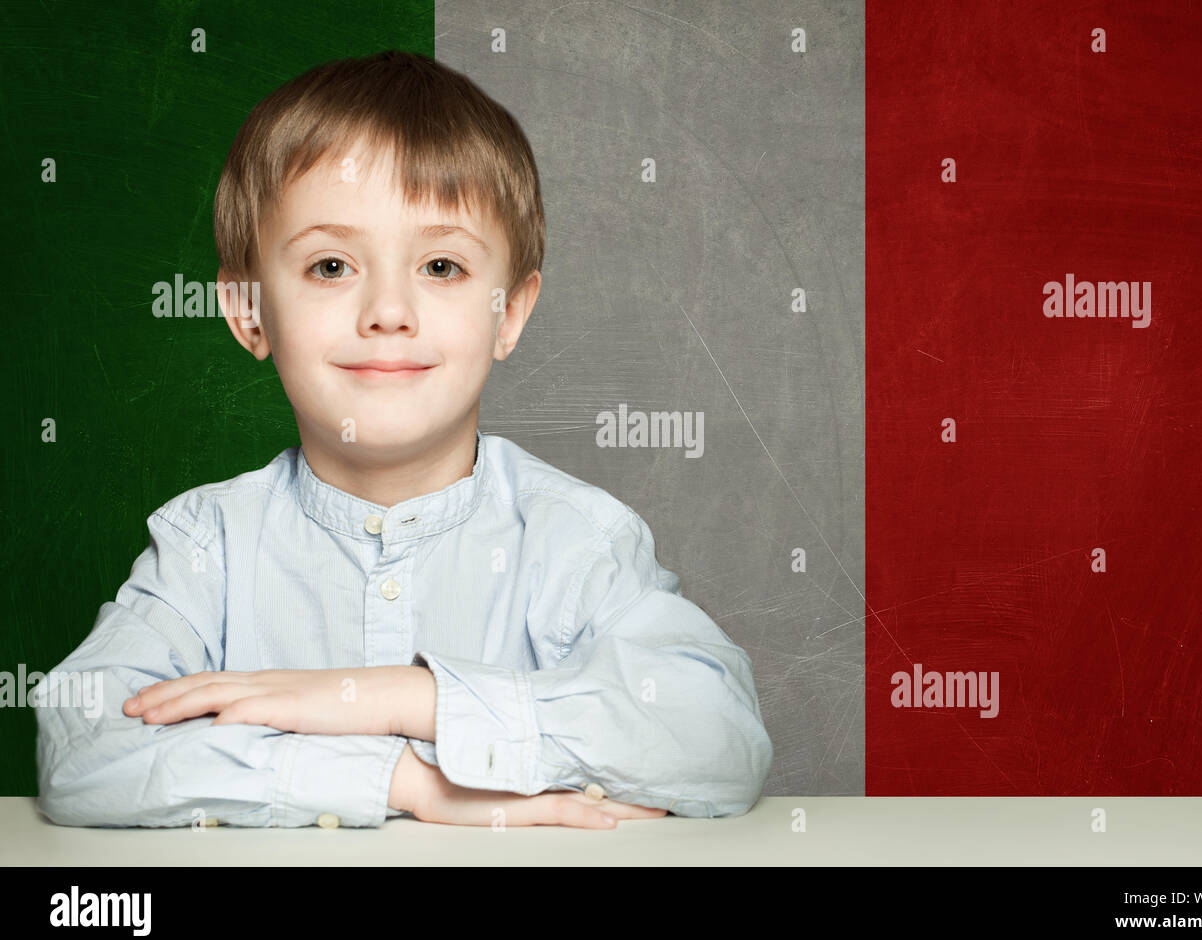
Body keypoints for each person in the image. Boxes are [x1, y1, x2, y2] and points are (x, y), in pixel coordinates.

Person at [33, 50, 773, 829]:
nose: (388, 310)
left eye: (442, 265)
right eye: (330, 265)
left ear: (510, 313)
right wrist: (405, 780)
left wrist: (408, 699)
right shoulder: (206, 547)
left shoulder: (576, 542)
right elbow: (83, 749)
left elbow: (719, 736)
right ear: (250, 310)